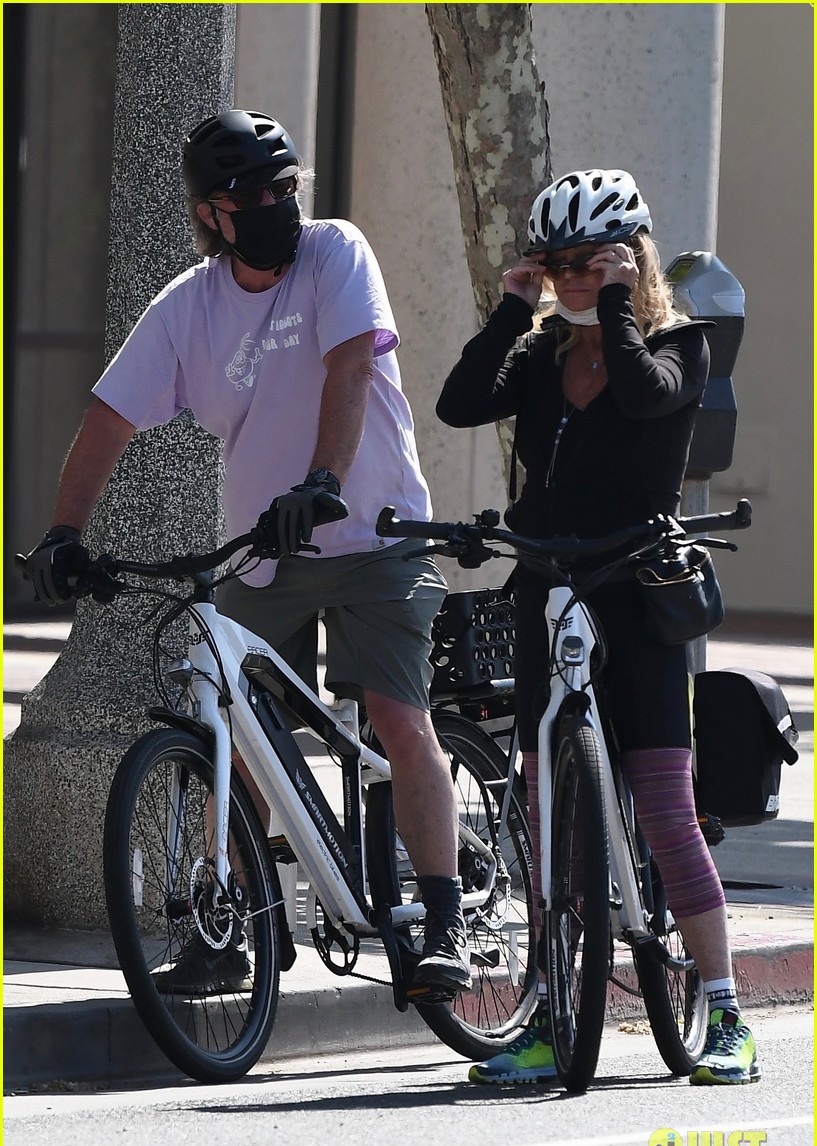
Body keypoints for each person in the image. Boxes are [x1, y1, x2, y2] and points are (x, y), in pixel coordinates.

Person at [22, 108, 470, 997]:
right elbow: (109, 419)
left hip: (371, 533)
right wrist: (64, 532)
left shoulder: (336, 253)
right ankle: (238, 928)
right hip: (264, 554)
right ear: (210, 216)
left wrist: (323, 480)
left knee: (393, 718)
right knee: (235, 736)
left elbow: (349, 368)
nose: (271, 206)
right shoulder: (188, 308)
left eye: (281, 189)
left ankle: (444, 919)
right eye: (247, 196)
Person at [436, 168, 760, 1087]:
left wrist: (618, 304)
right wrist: (510, 310)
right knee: (544, 812)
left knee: (662, 804)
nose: (570, 278)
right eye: (556, 262)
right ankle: (548, 1011)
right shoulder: (539, 352)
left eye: (589, 262)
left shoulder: (677, 343)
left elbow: (646, 394)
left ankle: (725, 1012)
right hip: (546, 584)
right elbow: (460, 403)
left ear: (630, 258)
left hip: (636, 587)